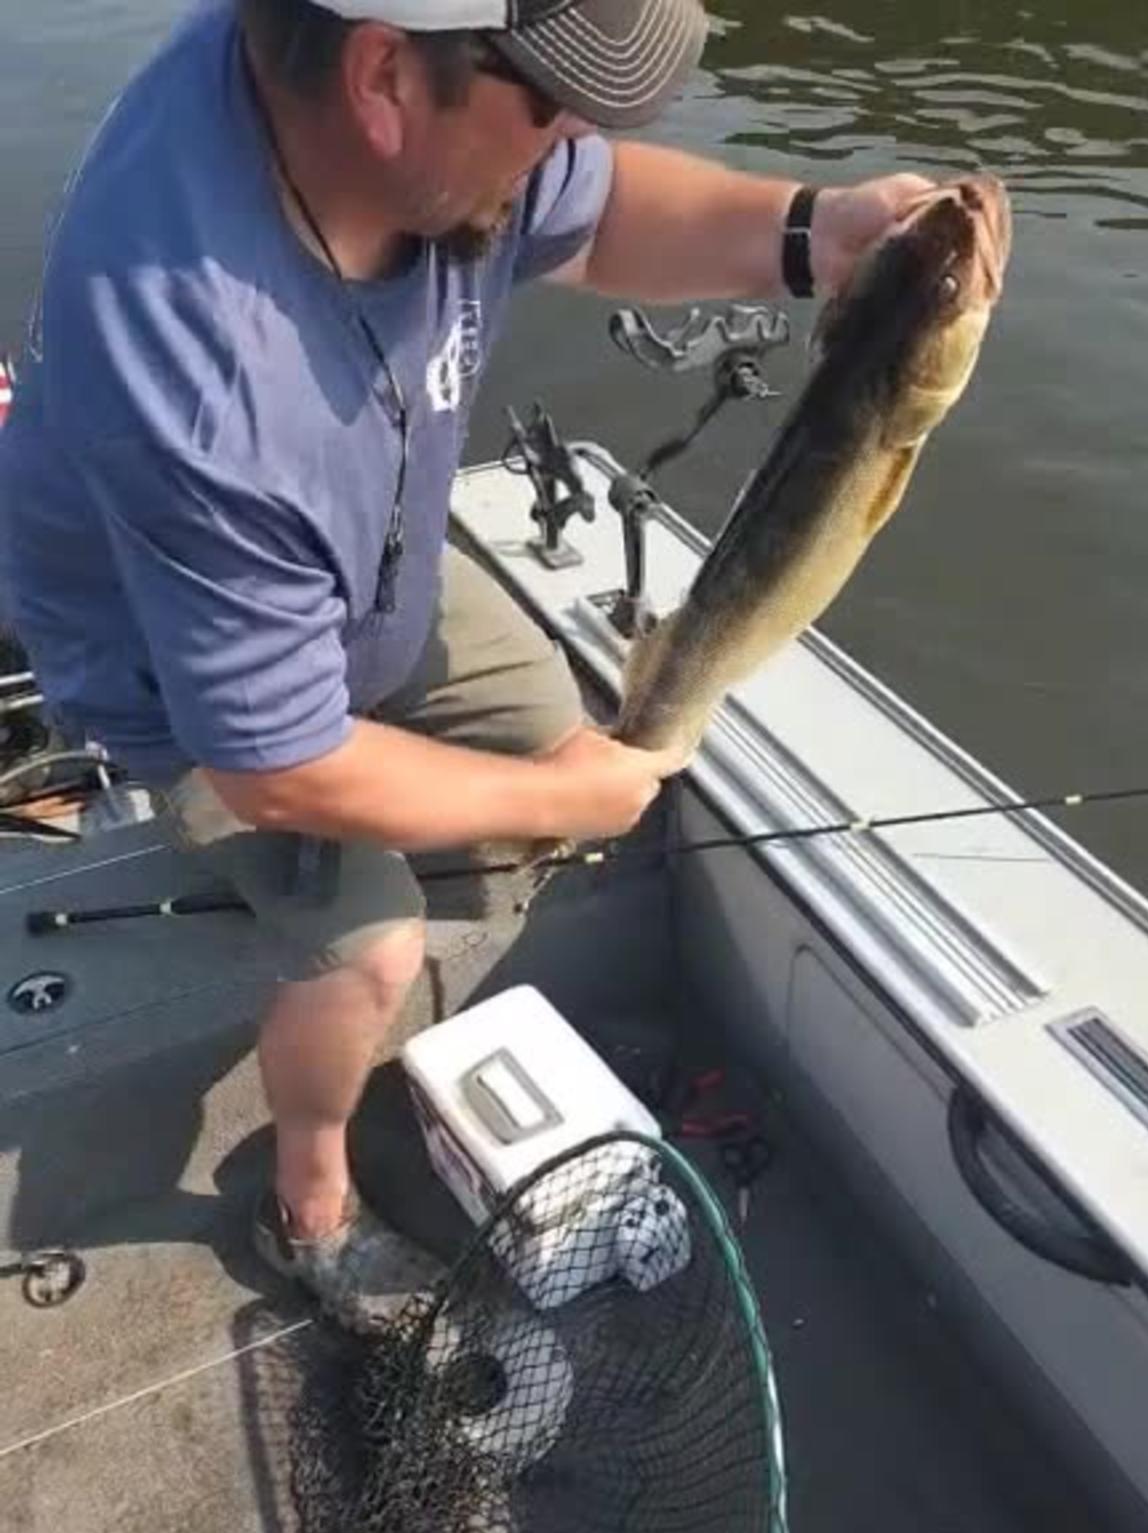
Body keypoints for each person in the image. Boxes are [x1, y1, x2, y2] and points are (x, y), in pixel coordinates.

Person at [0, 0, 932, 1322]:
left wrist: (806, 234)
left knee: (561, 720)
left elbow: (598, 210)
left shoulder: (378, 100)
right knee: (368, 949)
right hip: (187, 683)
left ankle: (457, 856)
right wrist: (559, 802)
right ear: (384, 73)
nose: (577, 134)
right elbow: (277, 764)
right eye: (552, 101)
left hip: (361, 548)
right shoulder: (203, 384)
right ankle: (304, 1202)